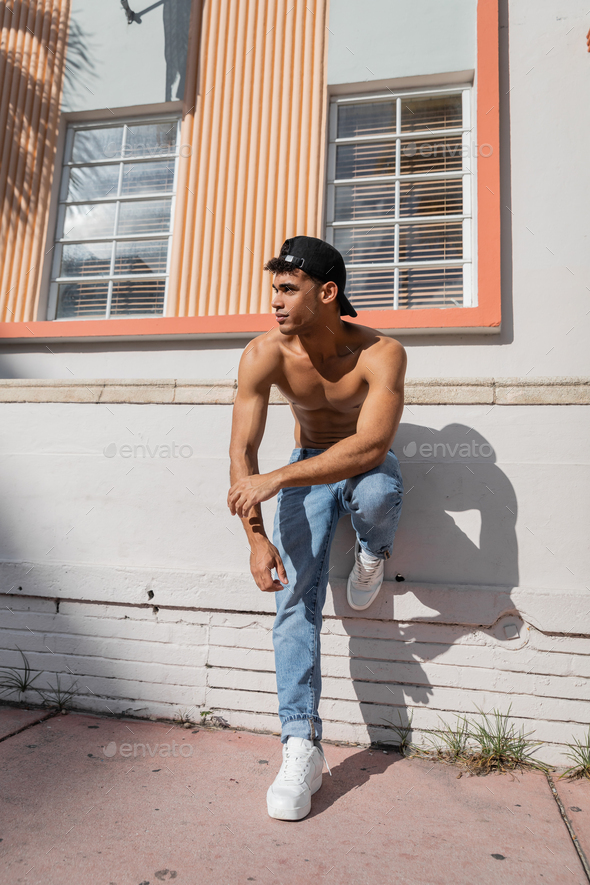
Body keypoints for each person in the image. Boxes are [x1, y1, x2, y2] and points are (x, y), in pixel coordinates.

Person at [227, 236, 406, 821]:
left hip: (359, 464)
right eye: (272, 289)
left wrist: (278, 478)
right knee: (294, 602)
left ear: (327, 292)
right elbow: (243, 451)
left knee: (378, 490)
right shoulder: (264, 354)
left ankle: (372, 549)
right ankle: (300, 744)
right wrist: (256, 537)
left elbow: (372, 443)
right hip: (304, 467)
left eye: (287, 289)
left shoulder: (382, 353)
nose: (274, 302)